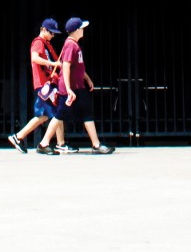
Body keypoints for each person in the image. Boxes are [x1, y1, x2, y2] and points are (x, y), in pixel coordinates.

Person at [56, 17, 114, 154]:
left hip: (78, 87)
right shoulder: (71, 44)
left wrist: (87, 79)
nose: (83, 30)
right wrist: (69, 88)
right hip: (73, 88)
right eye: (81, 28)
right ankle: (44, 143)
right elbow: (66, 66)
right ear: (76, 30)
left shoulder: (74, 44)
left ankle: (96, 144)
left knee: (81, 113)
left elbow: (79, 68)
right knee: (59, 115)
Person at [6, 19, 64, 153]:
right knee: (50, 115)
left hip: (47, 84)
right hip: (44, 85)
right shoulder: (38, 42)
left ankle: (60, 143)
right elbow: (34, 58)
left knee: (53, 112)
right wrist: (54, 63)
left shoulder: (46, 44)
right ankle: (20, 137)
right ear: (43, 29)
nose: (53, 36)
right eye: (51, 32)